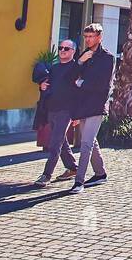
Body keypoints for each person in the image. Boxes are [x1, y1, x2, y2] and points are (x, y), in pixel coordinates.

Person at [68, 23, 116, 195]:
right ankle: (100, 173)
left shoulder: (108, 58)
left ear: (99, 37)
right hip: (82, 105)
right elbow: (71, 76)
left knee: (86, 143)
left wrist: (81, 83)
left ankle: (78, 182)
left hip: (96, 105)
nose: (88, 40)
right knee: (91, 140)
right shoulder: (84, 55)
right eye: (86, 37)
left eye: (91, 37)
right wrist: (80, 61)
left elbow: (103, 84)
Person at [33, 39, 80, 185]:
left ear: (73, 51)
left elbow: (80, 91)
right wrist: (42, 86)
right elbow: (48, 85)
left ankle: (46, 175)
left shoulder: (76, 69)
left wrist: (77, 114)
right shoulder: (54, 68)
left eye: (66, 48)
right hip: (51, 109)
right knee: (61, 141)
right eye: (61, 48)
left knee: (54, 144)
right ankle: (73, 168)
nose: (62, 50)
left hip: (66, 111)